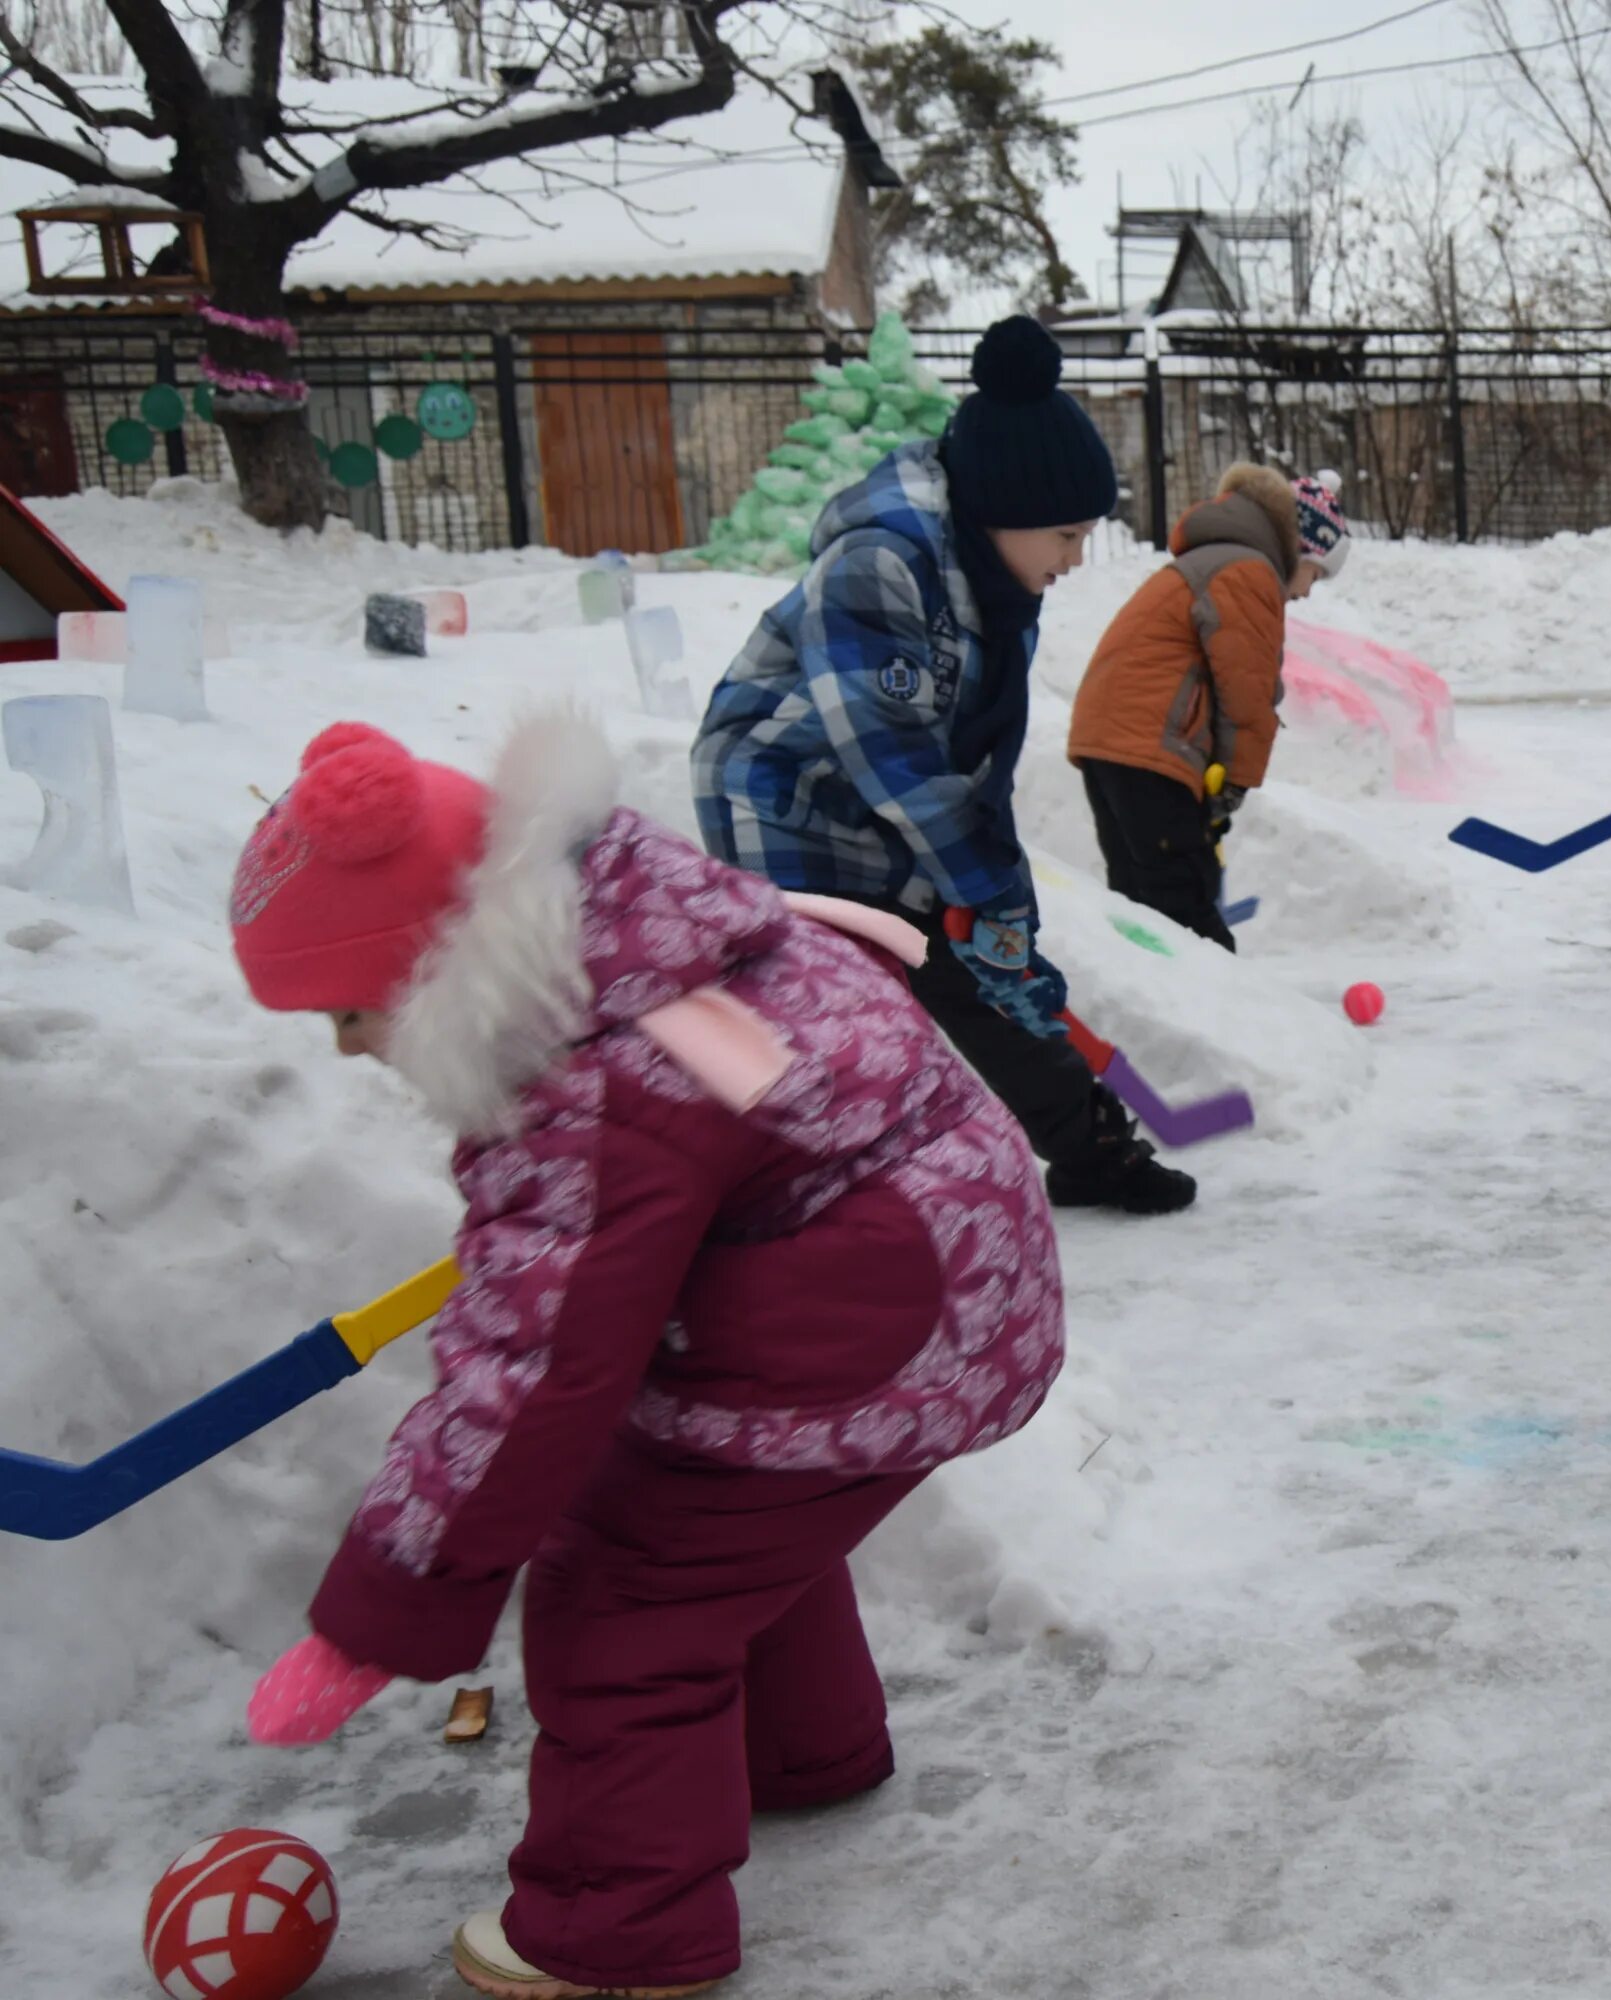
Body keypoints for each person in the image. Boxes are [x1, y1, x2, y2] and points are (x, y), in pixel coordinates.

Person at [228, 715, 1064, 1998]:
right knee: (729, 1526)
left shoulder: (583, 1084)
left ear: (432, 969)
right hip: (951, 1295)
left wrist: (381, 1607)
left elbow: (524, 1378)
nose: (346, 1045)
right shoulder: (651, 937)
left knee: (625, 1595)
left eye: (349, 1010)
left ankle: (615, 1930)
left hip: (877, 1335)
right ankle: (804, 1750)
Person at [694, 315, 1194, 1215]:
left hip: (888, 792)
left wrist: (1002, 904)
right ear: (1007, 511)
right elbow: (892, 752)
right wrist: (984, 886)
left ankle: (1088, 1151)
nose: (1076, 558)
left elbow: (974, 754)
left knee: (984, 974)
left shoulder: (998, 577)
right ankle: (794, 1194)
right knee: (839, 1004)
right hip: (786, 799)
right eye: (1068, 535)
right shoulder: (880, 561)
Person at [1067, 465, 1350, 948]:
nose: (1304, 592)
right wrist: (1234, 784)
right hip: (1147, 748)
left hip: (1110, 740)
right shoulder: (1248, 570)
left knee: (1142, 910)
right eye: (1314, 575)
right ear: (1299, 549)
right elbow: (1249, 691)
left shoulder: (1212, 561)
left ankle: (1149, 995)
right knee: (1189, 918)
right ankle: (1223, 998)